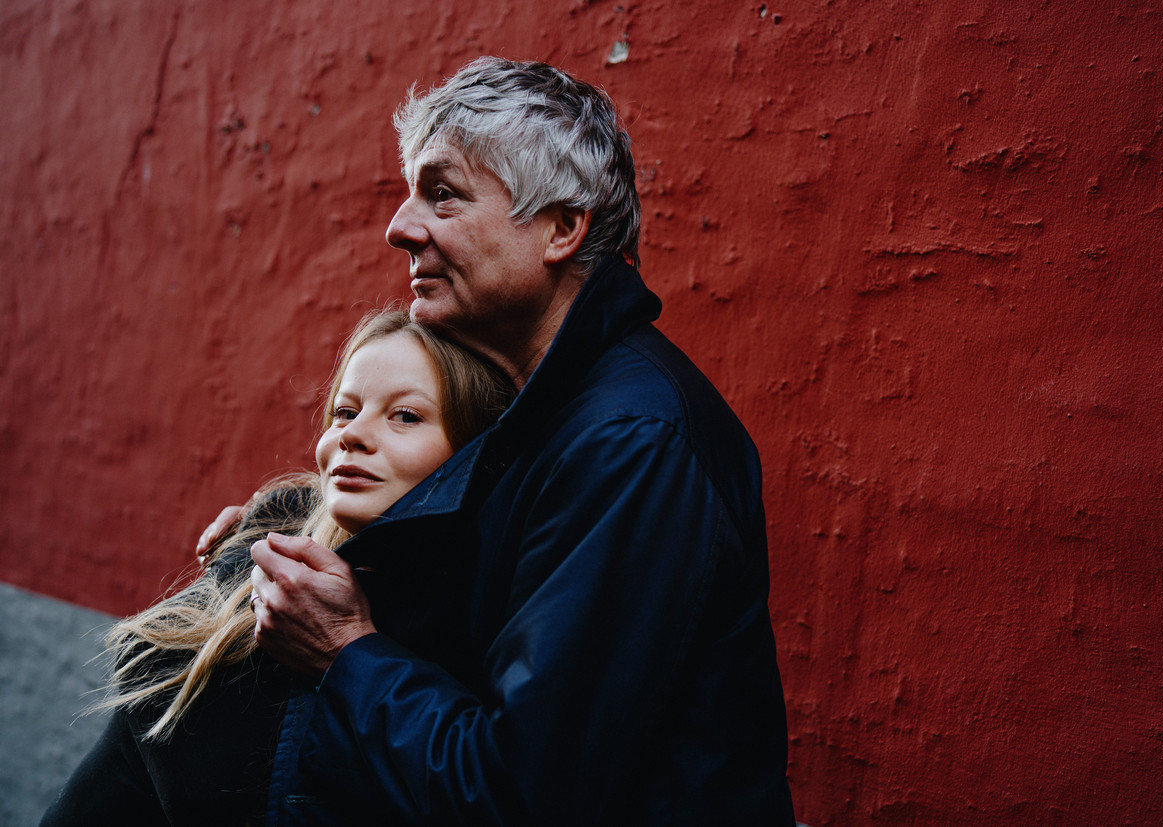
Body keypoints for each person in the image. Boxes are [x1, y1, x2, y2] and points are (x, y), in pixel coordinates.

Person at [248, 57, 796, 825]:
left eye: (442, 194)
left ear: (562, 229)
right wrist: (275, 522)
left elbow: (519, 794)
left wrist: (346, 650)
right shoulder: (555, 405)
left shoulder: (630, 443)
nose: (399, 227)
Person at [41, 308, 513, 826]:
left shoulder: (484, 631)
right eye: (344, 412)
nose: (352, 435)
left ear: (473, 451)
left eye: (405, 416)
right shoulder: (251, 571)